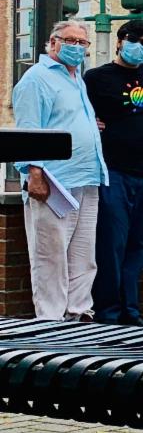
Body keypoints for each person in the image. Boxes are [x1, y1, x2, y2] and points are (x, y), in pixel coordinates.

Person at [12, 19, 108, 320]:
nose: (77, 47)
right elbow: (28, 130)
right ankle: (50, 321)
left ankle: (79, 314)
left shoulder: (76, 79)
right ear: (52, 43)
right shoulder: (36, 79)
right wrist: (34, 175)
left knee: (83, 256)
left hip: (87, 179)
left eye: (82, 43)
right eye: (70, 41)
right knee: (50, 256)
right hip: (54, 182)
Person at [85, 19, 143, 325]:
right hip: (112, 171)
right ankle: (109, 312)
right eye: (135, 40)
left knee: (138, 244)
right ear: (119, 41)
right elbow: (79, 113)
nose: (140, 47)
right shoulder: (96, 78)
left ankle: (131, 311)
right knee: (112, 243)